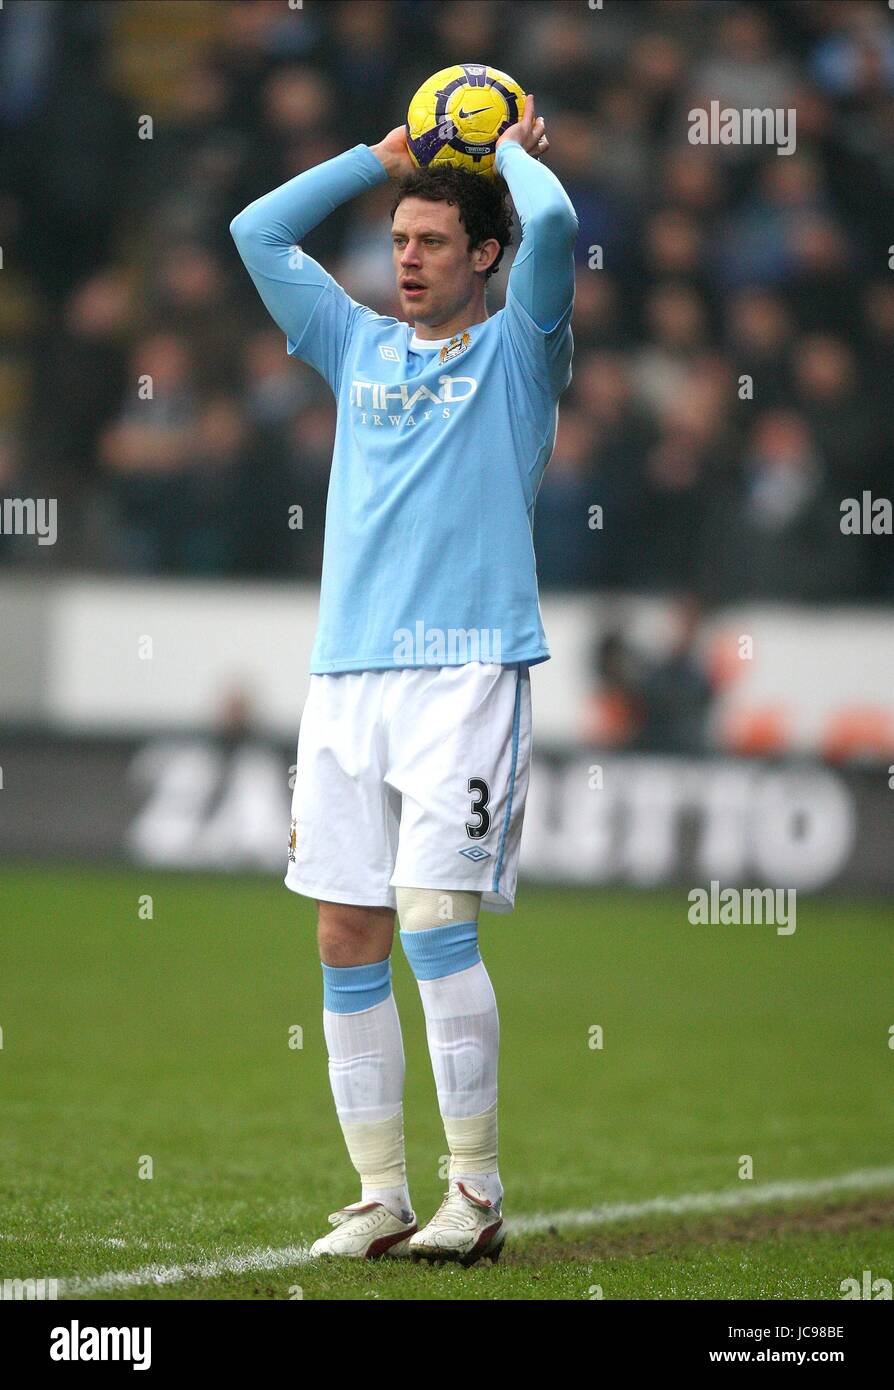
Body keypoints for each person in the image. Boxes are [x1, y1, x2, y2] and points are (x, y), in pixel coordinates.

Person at [231, 95, 577, 1265]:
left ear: (484, 253)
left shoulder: (521, 352)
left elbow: (562, 223)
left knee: (435, 918)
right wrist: (371, 159)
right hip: (347, 677)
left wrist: (513, 160)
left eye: (433, 241)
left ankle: (472, 1191)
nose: (410, 259)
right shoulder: (356, 342)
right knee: (345, 932)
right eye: (398, 240)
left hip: (468, 671)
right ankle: (381, 1193)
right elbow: (254, 234)